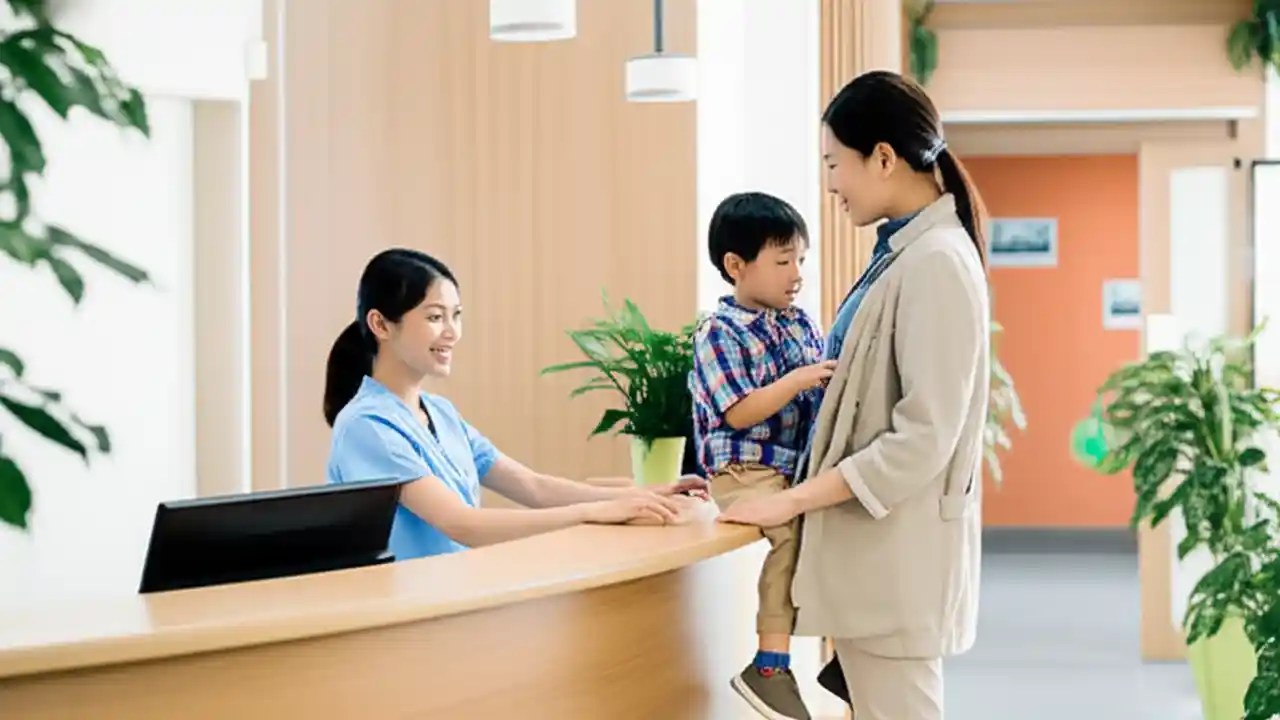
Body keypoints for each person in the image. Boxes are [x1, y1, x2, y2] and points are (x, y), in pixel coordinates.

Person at [720, 70, 990, 720]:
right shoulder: (906, 254)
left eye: (835, 163)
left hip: (897, 565)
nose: (832, 183)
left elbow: (923, 437)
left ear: (885, 158)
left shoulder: (936, 263)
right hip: (880, 564)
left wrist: (793, 500)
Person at [324, 248, 707, 561]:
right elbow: (463, 525)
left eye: (456, 316)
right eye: (435, 317)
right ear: (381, 325)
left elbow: (533, 487)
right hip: (409, 620)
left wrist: (644, 494)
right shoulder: (367, 426)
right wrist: (593, 513)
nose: (452, 332)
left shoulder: (439, 413)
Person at [689, 192, 834, 720]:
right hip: (744, 468)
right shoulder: (718, 332)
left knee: (840, 520)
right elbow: (739, 413)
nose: (796, 273)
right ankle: (769, 665)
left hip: (790, 465)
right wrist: (797, 380)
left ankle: (842, 646)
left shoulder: (797, 322)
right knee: (790, 536)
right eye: (782, 261)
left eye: (800, 259)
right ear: (736, 266)